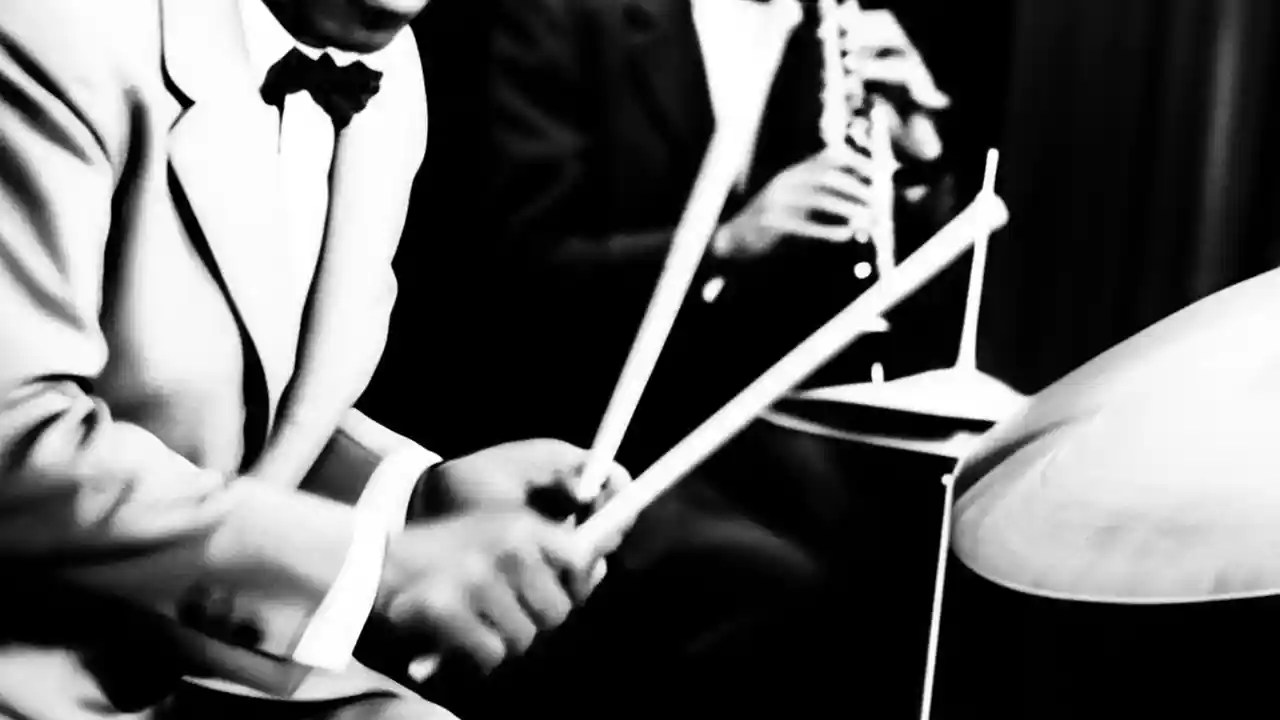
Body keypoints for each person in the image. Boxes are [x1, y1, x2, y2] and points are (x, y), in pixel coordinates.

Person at [0, 2, 632, 718]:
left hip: (169, 647)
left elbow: (234, 401)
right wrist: (376, 566)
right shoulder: (53, 28)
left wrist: (409, 502)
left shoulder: (389, 73)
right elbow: (12, 443)